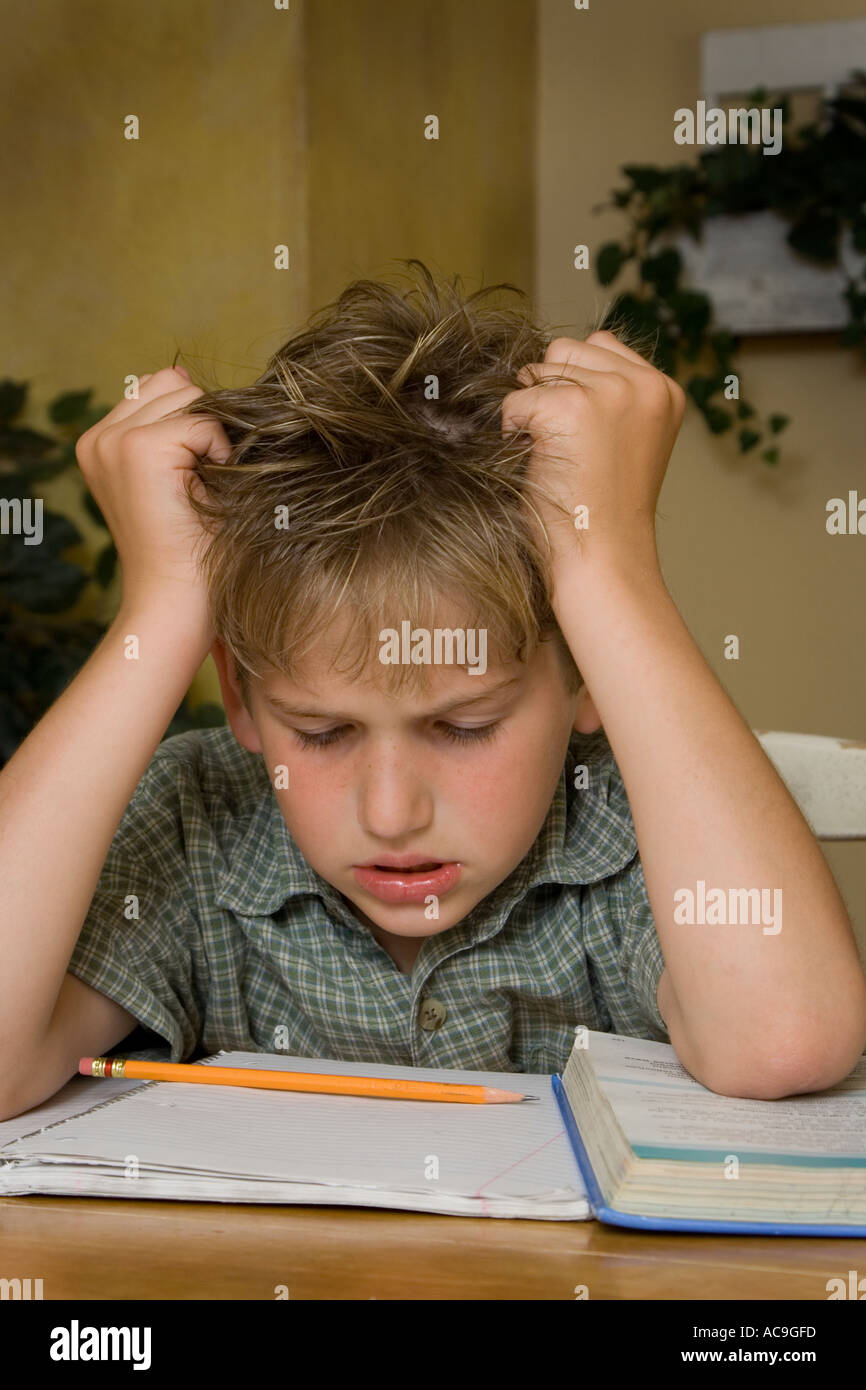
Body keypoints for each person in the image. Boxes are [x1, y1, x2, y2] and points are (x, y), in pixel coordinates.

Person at [1, 260, 864, 1121]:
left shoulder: (636, 825)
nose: (390, 814)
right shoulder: (194, 825)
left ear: (587, 669)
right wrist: (160, 612)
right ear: (241, 698)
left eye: (464, 725)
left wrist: (609, 570)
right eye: (322, 733)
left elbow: (784, 1038)